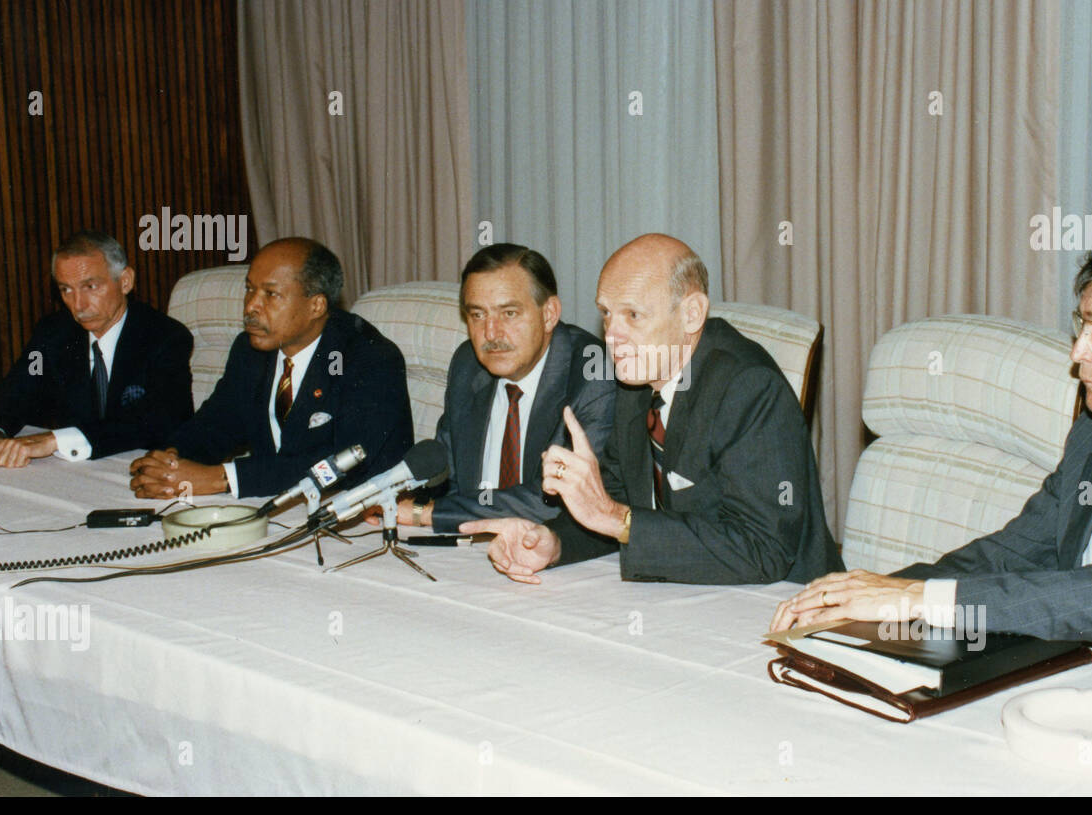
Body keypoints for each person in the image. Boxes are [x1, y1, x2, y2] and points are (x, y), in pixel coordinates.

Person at [772, 232, 1092, 678]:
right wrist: (880, 592)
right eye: (1079, 326)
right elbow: (1019, 550)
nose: (1077, 351)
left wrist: (916, 601)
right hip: (1079, 666)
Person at [462, 232, 844, 586]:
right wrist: (551, 542)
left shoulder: (747, 387)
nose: (612, 336)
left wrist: (615, 517)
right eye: (607, 313)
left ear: (692, 314)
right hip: (689, 596)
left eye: (633, 315)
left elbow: (763, 549)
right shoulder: (638, 384)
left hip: (786, 607)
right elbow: (612, 501)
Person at [129, 238, 412, 500]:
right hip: (271, 504)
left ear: (316, 305)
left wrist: (223, 479)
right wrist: (170, 459)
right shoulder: (251, 350)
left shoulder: (367, 358)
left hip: (355, 515)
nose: (251, 306)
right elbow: (217, 422)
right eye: (249, 289)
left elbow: (345, 463)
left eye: (271, 294)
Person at [393, 243, 614, 531]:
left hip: (552, 550)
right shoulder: (467, 363)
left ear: (549, 314)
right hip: (468, 547)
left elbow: (553, 500)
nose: (490, 333)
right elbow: (446, 473)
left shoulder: (591, 374)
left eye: (508, 313)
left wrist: (427, 514)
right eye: (477, 315)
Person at [0, 230, 193, 466]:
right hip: (74, 470)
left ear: (125, 281)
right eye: (66, 290)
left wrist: (56, 439)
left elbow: (158, 421)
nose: (79, 305)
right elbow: (18, 389)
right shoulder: (51, 334)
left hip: (142, 466)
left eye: (91, 287)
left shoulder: (166, 337)